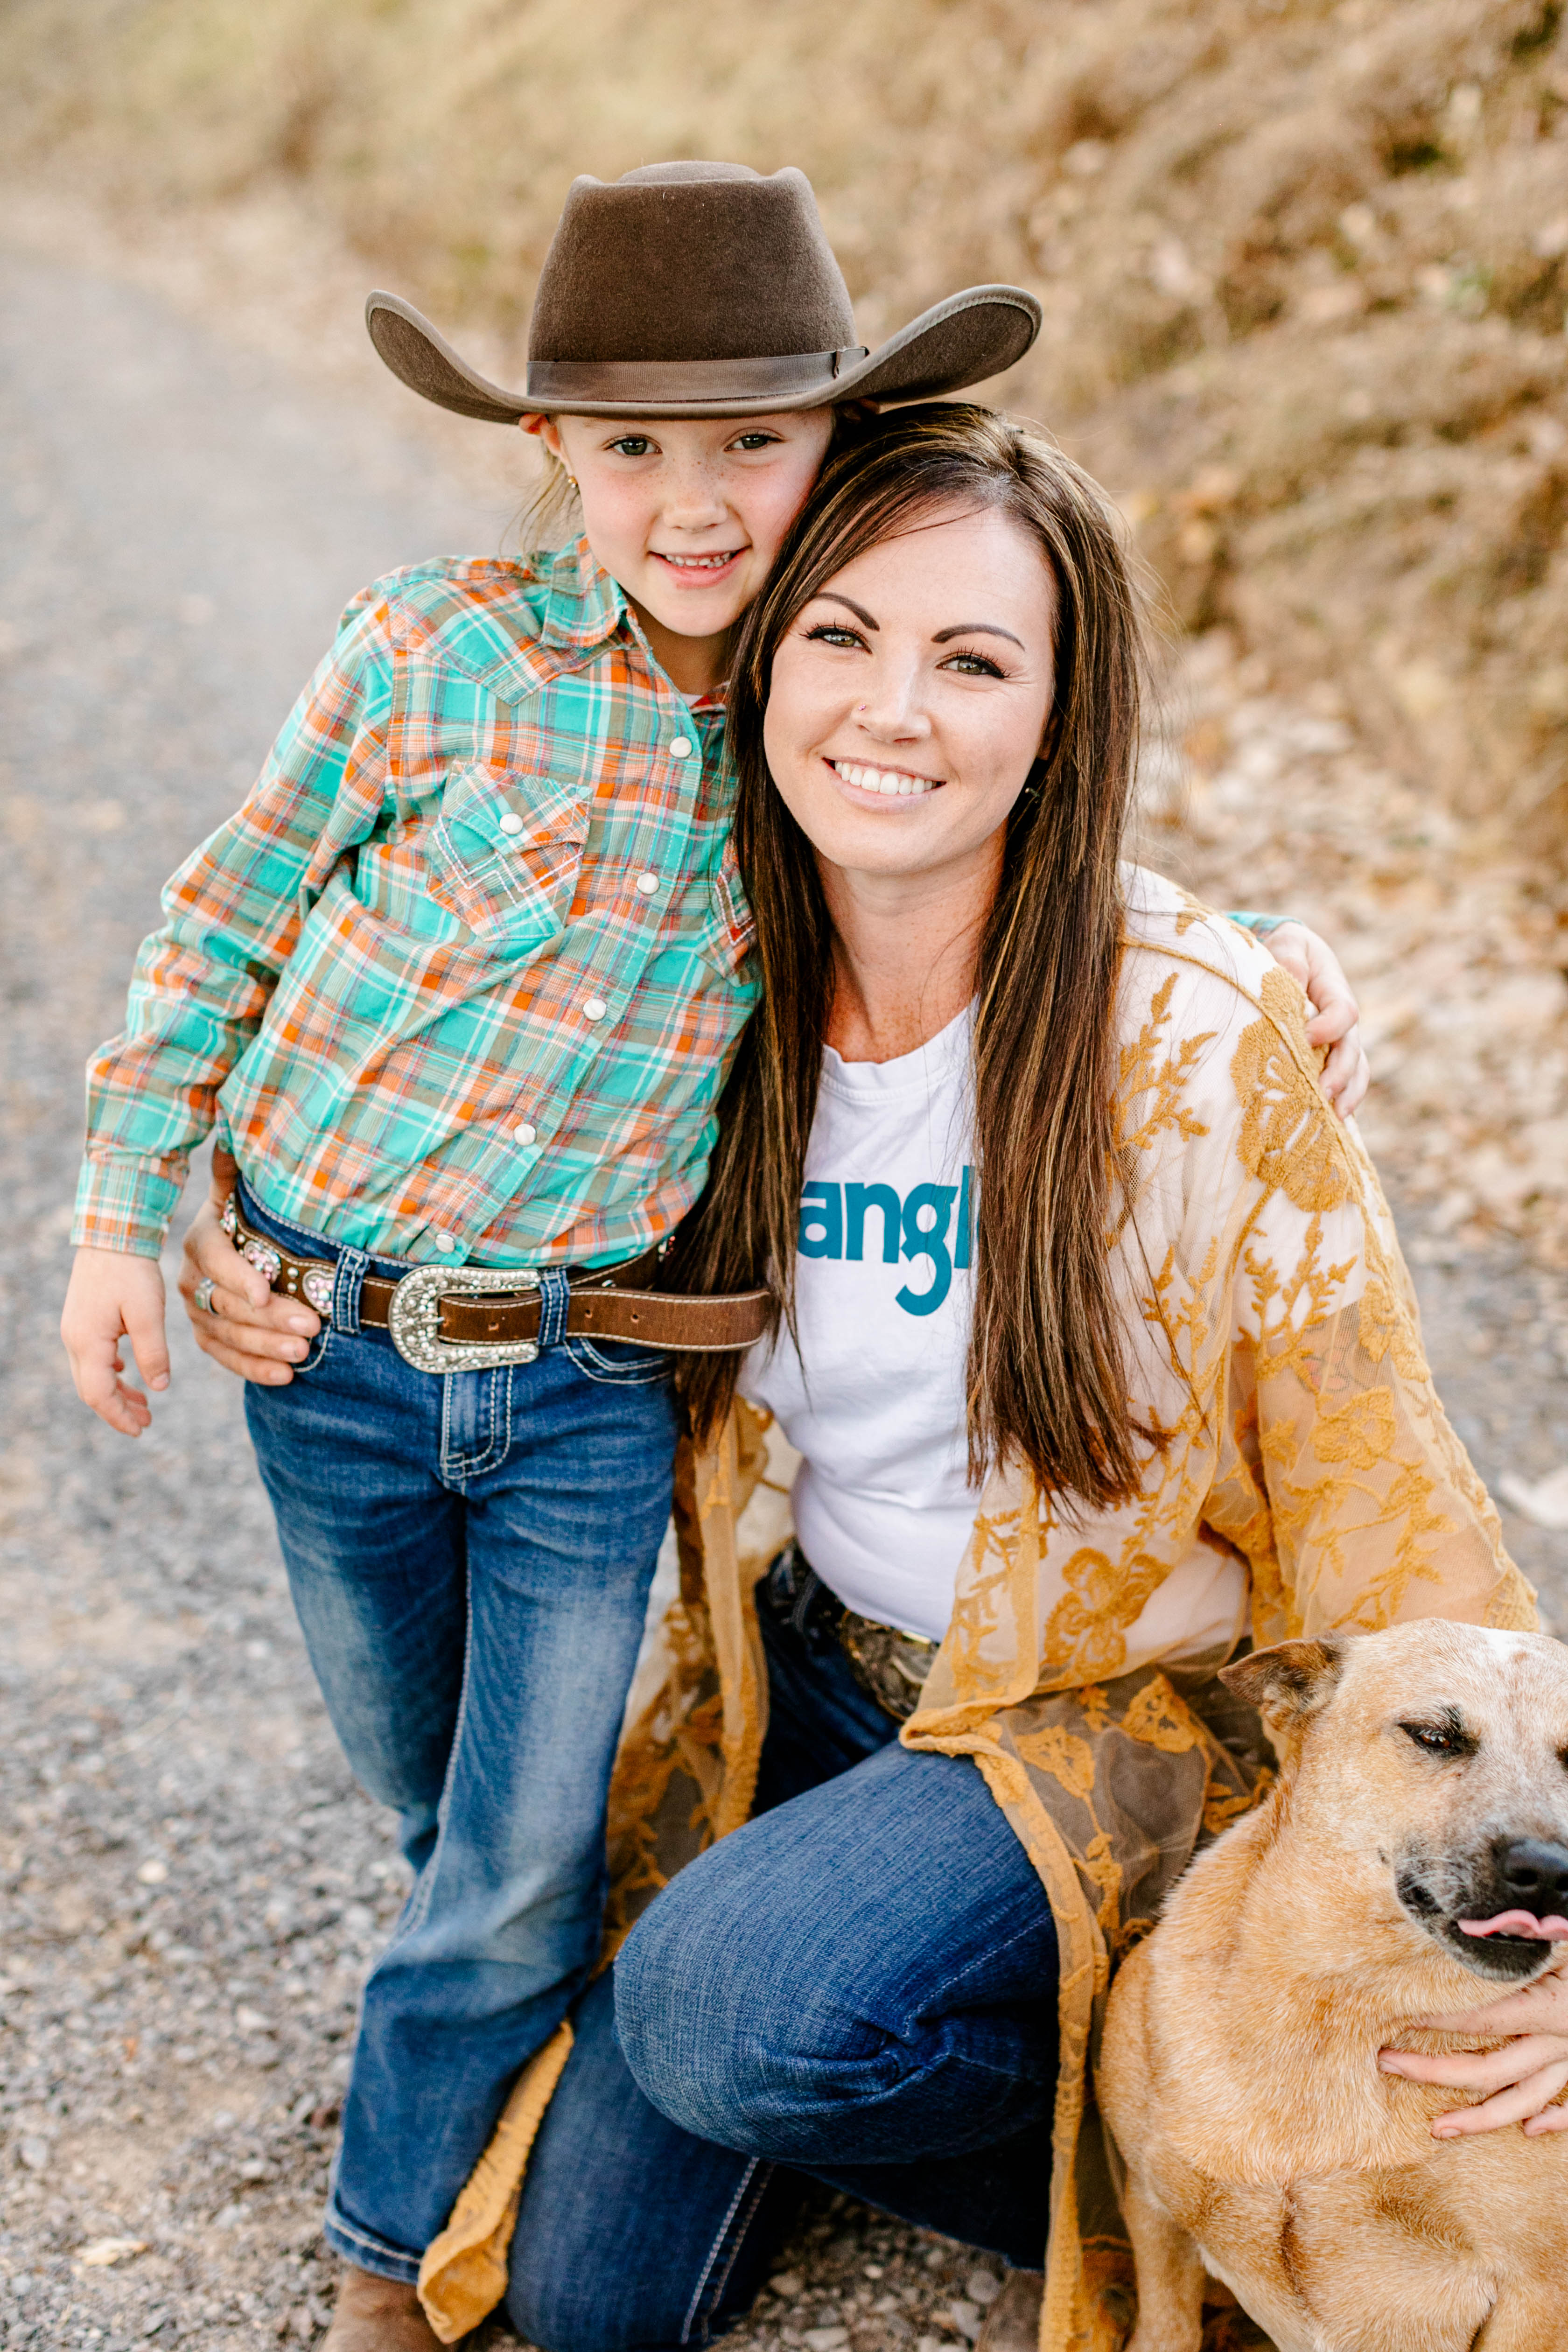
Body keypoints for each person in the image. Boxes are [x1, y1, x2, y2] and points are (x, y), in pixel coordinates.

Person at [74, 173, 1354, 2352]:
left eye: (752, 442)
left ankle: (394, 2250)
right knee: (430, 1790)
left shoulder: (810, 699)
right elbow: (224, 918)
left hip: (586, 1382)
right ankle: (505, 2006)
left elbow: (1011, 808)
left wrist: (1259, 952)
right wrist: (132, 1208)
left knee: (523, 1847)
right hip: (331, 1346)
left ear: (831, 453)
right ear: (547, 448)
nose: (695, 499)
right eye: (634, 444)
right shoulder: (433, 656)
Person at [390, 404, 1536, 2352]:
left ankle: (1226, 2151)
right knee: (587, 2301)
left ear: (1058, 711)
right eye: (840, 636)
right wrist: (236, 1239)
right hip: (828, 1673)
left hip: (1100, 1719)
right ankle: (1012, 2020)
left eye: (974, 659)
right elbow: (410, 1104)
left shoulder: (1185, 1043)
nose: (893, 710)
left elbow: (1394, 1511)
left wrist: (1547, 1920)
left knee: (720, 2010)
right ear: (762, 662)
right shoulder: (697, 993)